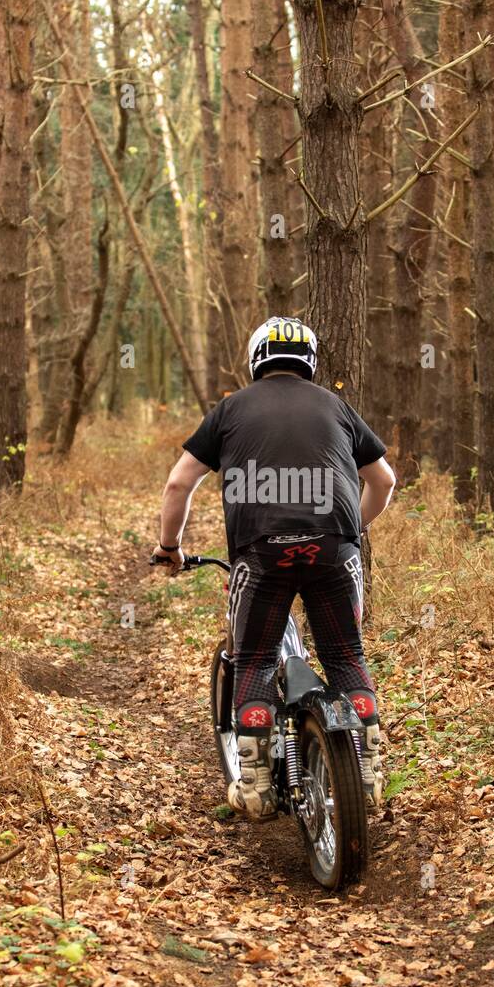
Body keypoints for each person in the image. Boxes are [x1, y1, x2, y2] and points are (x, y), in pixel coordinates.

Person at [152, 317, 395, 820]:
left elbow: (178, 485)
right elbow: (385, 480)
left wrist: (169, 547)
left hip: (262, 555)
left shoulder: (230, 409)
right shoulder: (336, 406)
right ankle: (368, 767)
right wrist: (350, 532)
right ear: (309, 361)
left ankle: (257, 785)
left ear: (255, 358)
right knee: (346, 653)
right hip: (334, 552)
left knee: (256, 657)